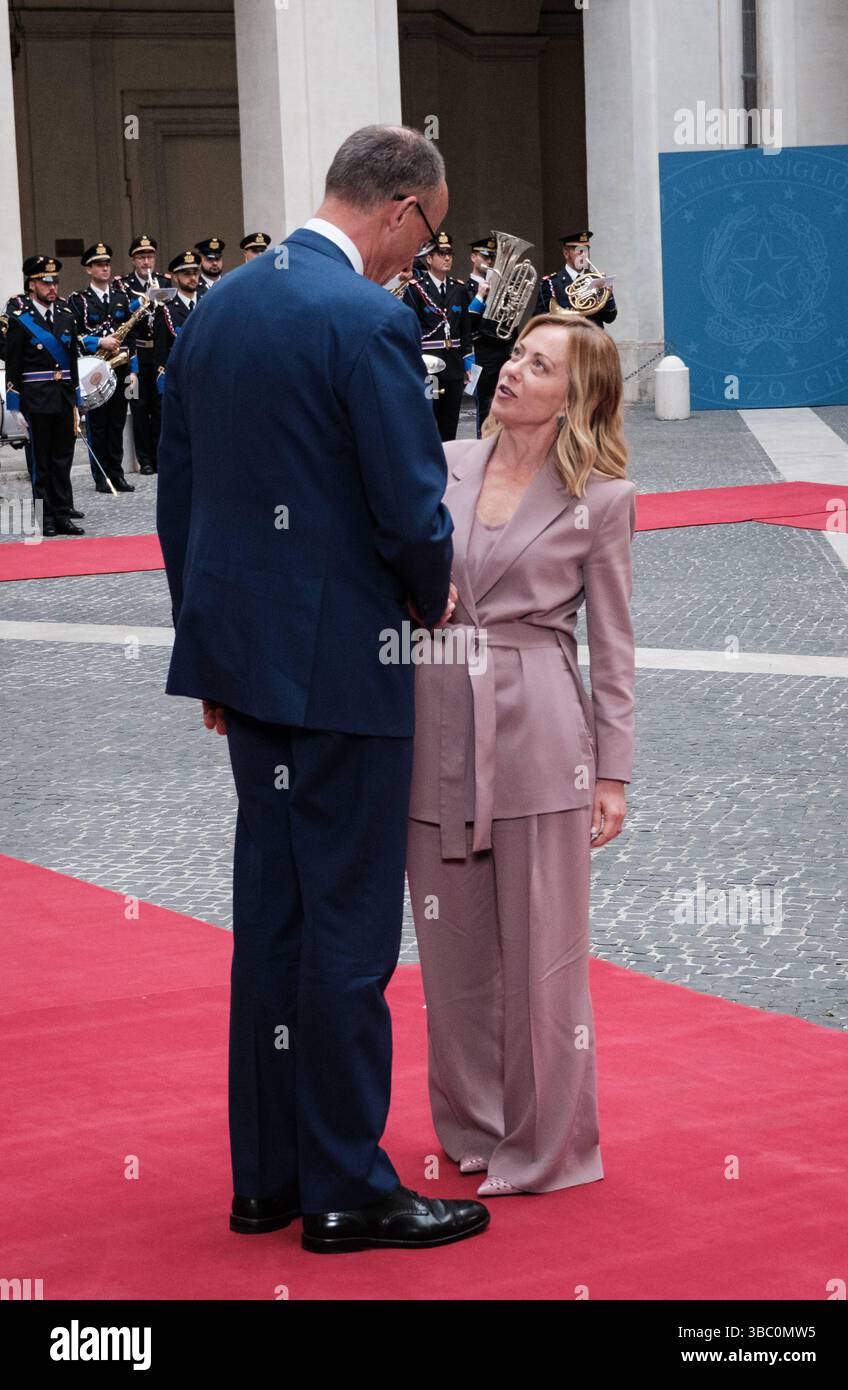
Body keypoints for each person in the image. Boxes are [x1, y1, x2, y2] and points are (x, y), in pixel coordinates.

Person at [156, 123, 490, 1253]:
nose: (420, 256)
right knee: (347, 931)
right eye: (427, 235)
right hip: (347, 664)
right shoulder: (366, 317)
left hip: (249, 663)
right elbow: (409, 502)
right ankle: (345, 1188)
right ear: (400, 209)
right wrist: (434, 592)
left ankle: (268, 1181)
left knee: (274, 921)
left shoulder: (218, 306)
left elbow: (182, 496)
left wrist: (208, 646)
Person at [405, 313, 637, 1196]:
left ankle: (549, 1147)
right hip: (434, 718)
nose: (512, 371)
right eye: (516, 355)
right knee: (452, 948)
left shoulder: (602, 499)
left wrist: (611, 771)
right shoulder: (443, 462)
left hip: (541, 734)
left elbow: (613, 643)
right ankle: (475, 1127)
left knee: (545, 957)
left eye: (540, 366)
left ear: (576, 397)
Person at [3, 255, 85, 536]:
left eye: (55, 282)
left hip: (63, 398)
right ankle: (45, 517)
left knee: (62, 460)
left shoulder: (66, 315)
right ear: (32, 284)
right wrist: (15, 406)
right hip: (36, 399)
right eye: (45, 282)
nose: (52, 287)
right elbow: (13, 365)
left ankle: (62, 514)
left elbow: (72, 362)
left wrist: (77, 400)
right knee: (42, 462)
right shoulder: (21, 320)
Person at [68, 242, 137, 494]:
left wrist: (133, 370)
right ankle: (101, 476)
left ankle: (117, 473)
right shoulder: (78, 300)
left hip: (119, 369)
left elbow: (132, 337)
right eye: (99, 265)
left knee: (117, 423)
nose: (105, 268)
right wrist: (99, 342)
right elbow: (74, 336)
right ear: (88, 269)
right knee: (98, 425)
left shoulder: (121, 298)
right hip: (94, 369)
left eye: (107, 264)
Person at [402, 231, 474, 441]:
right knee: (428, 416)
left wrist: (468, 362)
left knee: (450, 419)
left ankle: (448, 457)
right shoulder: (417, 289)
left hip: (453, 364)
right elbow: (411, 327)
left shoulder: (458, 289)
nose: (447, 258)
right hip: (428, 364)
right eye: (441, 254)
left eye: (449, 254)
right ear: (429, 258)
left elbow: (465, 329)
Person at [123, 235, 172, 475]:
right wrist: (143, 298)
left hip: (158, 354)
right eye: (141, 257)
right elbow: (123, 317)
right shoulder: (124, 285)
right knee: (138, 406)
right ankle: (144, 459)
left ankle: (159, 455)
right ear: (133, 260)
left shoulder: (164, 282)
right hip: (136, 354)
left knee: (160, 405)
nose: (146, 262)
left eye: (150, 257)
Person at [465, 233, 519, 435]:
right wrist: (480, 296)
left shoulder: (503, 288)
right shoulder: (464, 288)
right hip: (482, 353)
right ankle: (483, 446)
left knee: (508, 404)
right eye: (485, 256)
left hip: (503, 351)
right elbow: (466, 324)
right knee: (485, 407)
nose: (489, 261)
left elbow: (510, 323)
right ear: (473, 257)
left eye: (492, 257)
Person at [536, 229, 618, 329]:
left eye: (586, 250)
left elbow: (610, 318)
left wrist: (608, 296)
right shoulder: (551, 283)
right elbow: (540, 320)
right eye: (579, 250)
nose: (584, 255)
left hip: (592, 337)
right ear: (566, 253)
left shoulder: (596, 280)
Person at [153, 251, 200, 409]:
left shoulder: (206, 303)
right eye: (186, 274)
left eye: (195, 273)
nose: (192, 278)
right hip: (180, 378)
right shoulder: (167, 309)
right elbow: (161, 351)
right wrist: (162, 383)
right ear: (175, 277)